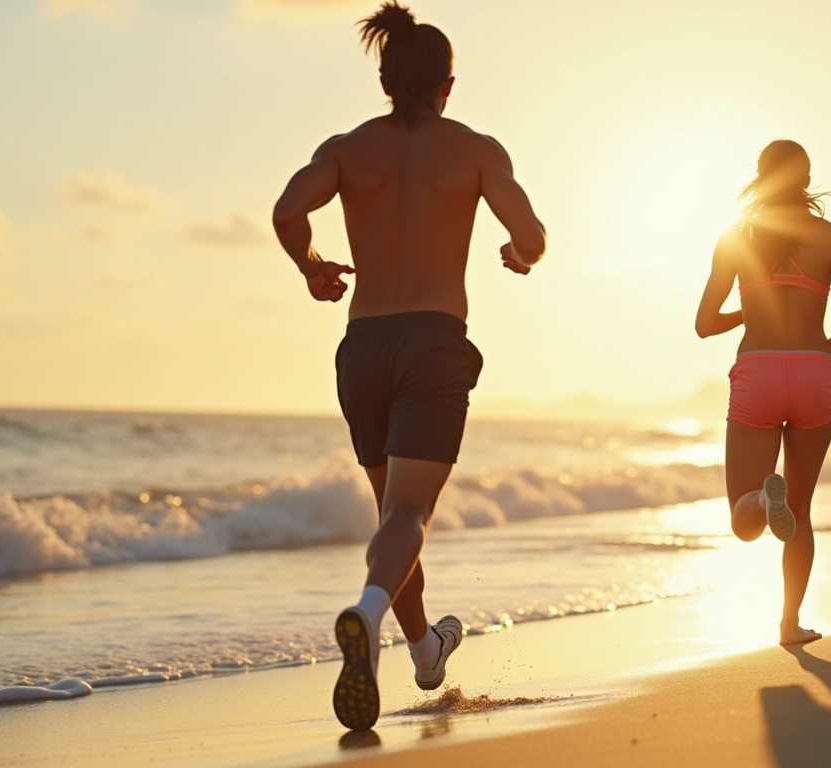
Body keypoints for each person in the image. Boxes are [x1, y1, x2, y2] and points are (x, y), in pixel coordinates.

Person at [271, 1, 546, 731]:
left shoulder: (344, 148)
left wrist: (310, 268)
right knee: (407, 515)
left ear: (387, 80)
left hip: (362, 350)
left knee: (392, 516)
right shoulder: (476, 149)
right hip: (431, 341)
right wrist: (521, 254)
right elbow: (531, 232)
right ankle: (365, 614)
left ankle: (425, 652)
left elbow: (286, 212)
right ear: (448, 83)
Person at [693, 140, 831, 646]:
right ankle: (790, 625)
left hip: (759, 370)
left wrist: (748, 312)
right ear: (807, 178)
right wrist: (828, 346)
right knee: (803, 510)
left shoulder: (736, 237)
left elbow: (705, 324)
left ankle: (758, 497)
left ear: (761, 176)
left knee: (743, 522)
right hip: (816, 371)